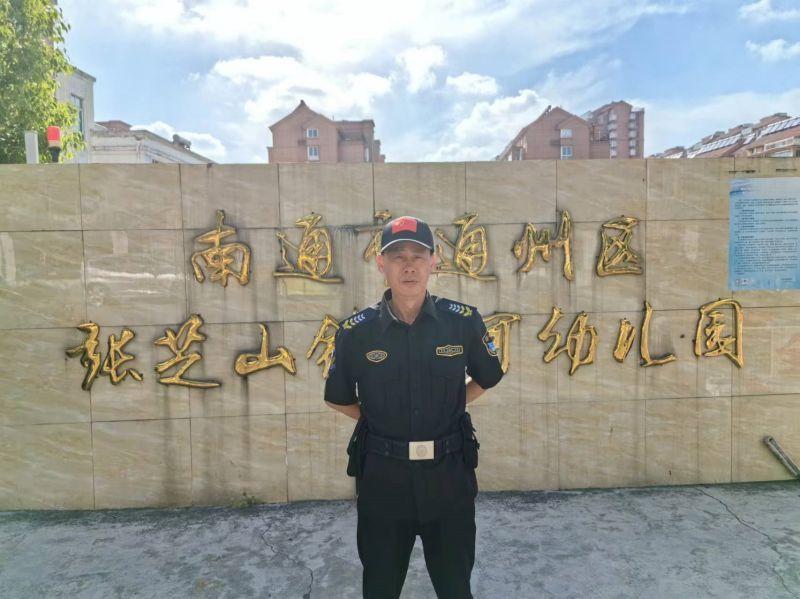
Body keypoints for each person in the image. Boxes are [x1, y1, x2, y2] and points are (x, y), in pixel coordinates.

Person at [324, 215, 504, 599]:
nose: (409, 266)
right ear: (381, 264)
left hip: (449, 478)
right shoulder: (356, 332)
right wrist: (378, 419)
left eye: (418, 256)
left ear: (433, 262)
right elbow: (337, 396)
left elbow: (489, 375)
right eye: (398, 257)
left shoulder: (462, 322)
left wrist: (453, 403)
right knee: (381, 588)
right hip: (384, 482)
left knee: (455, 588)